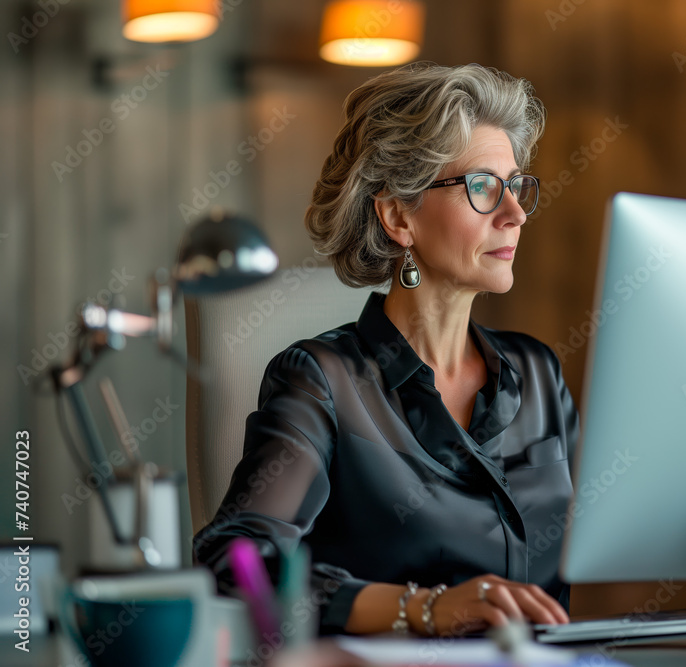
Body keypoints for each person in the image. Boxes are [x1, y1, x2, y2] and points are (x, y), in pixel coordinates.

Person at [193, 62, 578, 638]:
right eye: (482, 187)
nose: (515, 213)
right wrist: (424, 608)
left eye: (516, 185)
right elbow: (236, 561)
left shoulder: (537, 372)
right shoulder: (321, 381)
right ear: (399, 216)